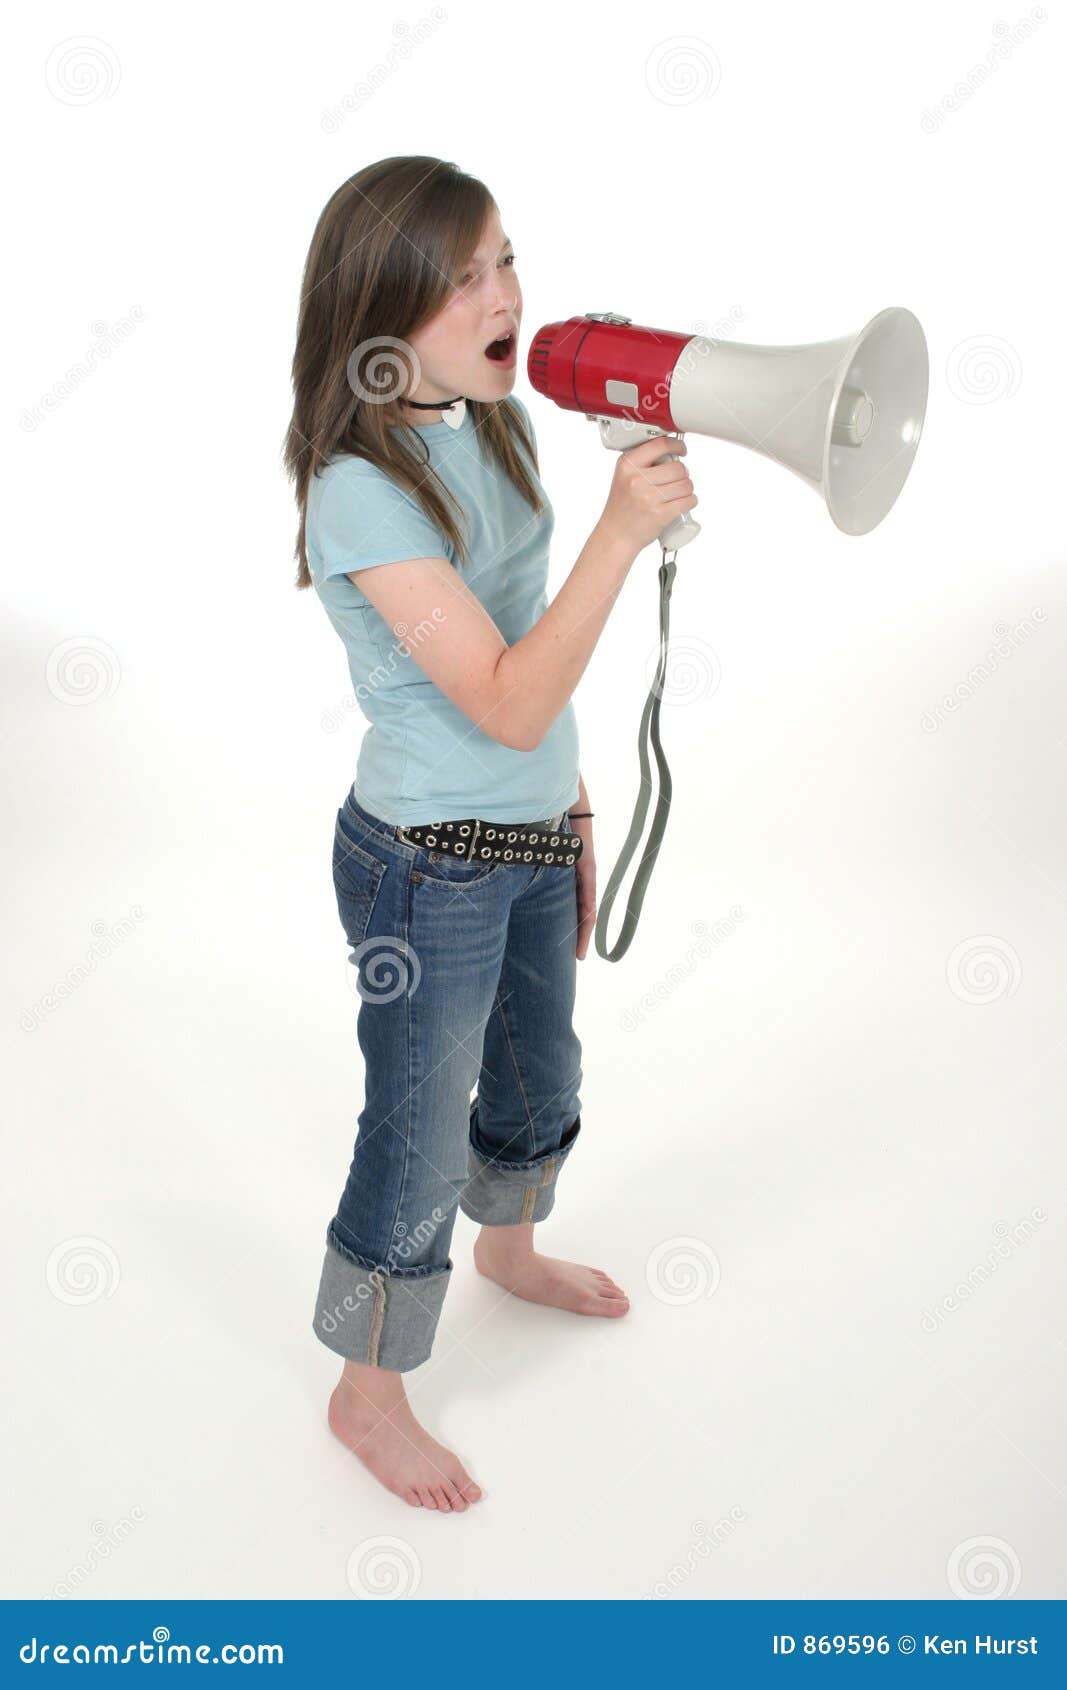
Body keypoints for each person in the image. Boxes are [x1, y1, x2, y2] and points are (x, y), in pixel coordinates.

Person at [282, 155, 698, 1514]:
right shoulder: (359, 491)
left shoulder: (491, 420)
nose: (506, 294)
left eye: (507, 259)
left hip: (522, 832)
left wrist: (573, 806)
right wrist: (625, 534)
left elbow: (528, 654)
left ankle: (508, 1252)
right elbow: (508, 698)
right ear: (382, 322)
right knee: (414, 1124)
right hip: (425, 865)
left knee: (534, 1068)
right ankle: (367, 1387)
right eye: (464, 278)